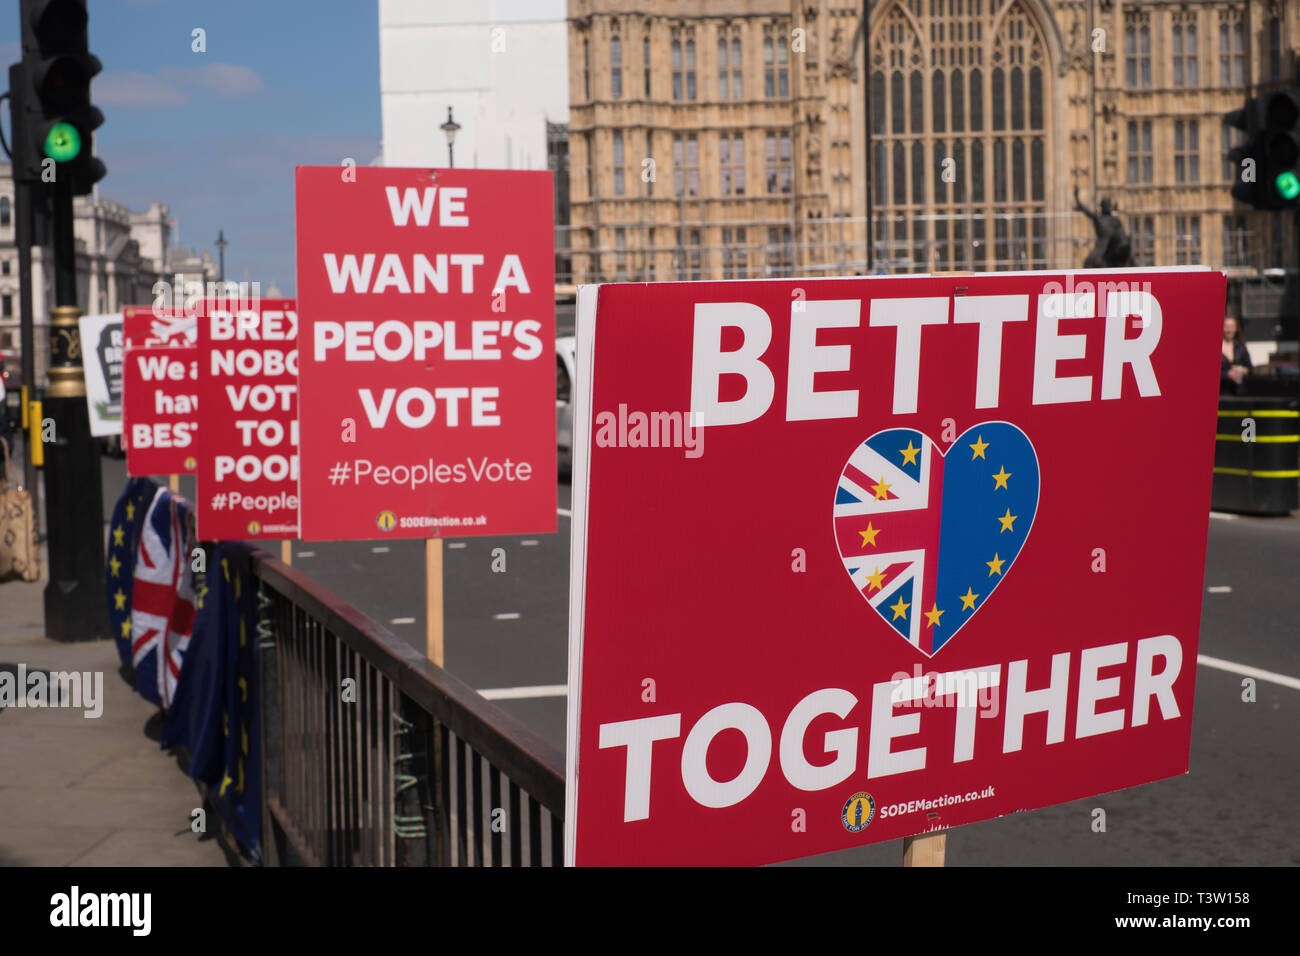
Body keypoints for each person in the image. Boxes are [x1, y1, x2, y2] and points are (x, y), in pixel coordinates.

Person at [1221, 316, 1252, 395]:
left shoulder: (1241, 346)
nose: (1229, 330)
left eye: (1232, 326)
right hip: (1221, 393)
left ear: (1236, 329)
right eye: (1226, 326)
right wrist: (1227, 374)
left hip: (1240, 392)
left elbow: (1250, 368)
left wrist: (1242, 369)